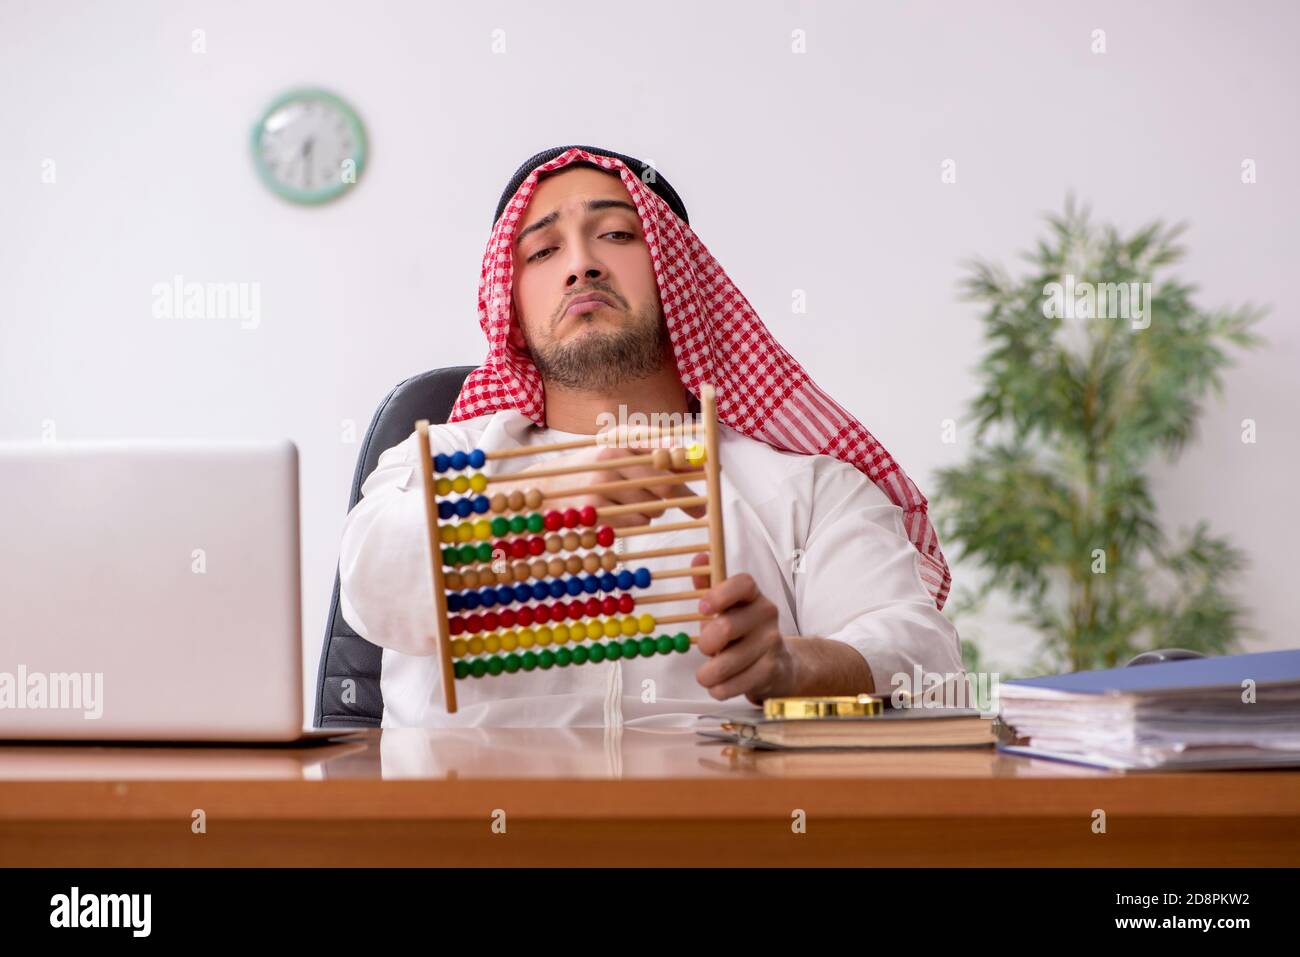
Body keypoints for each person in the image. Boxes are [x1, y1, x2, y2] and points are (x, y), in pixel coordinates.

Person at [337, 145, 962, 729]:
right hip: (471, 839)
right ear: (513, 310)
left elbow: (924, 657)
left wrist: (794, 668)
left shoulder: (809, 489)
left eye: (615, 235)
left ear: (678, 277)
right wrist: (556, 499)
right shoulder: (436, 462)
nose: (581, 264)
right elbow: (372, 585)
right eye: (543, 252)